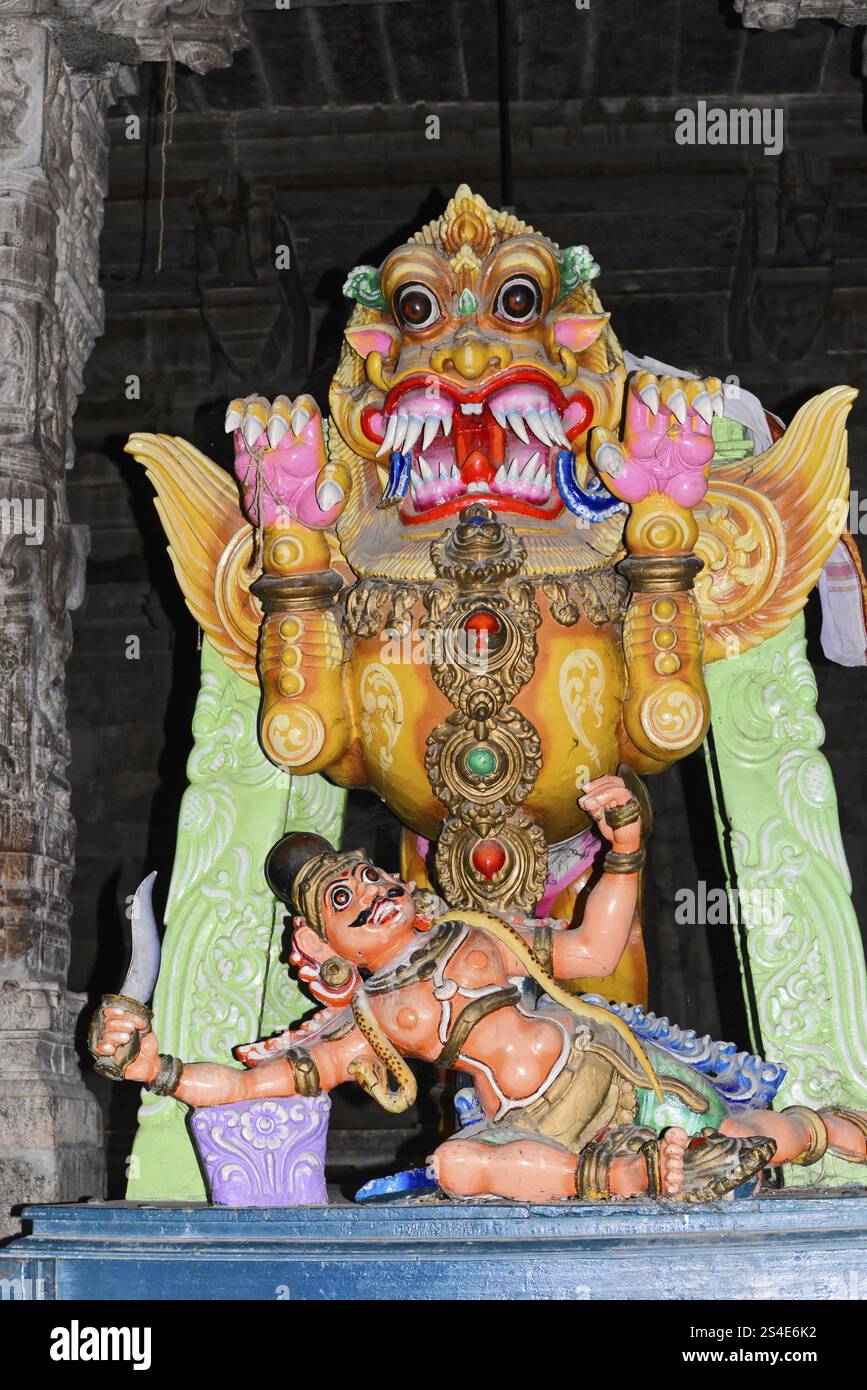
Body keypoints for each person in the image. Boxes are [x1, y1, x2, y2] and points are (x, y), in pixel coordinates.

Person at [90, 776, 867, 1202]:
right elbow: (254, 1082)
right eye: (341, 902)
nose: (367, 892)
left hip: (612, 1067)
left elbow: (594, 945)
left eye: (365, 876)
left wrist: (624, 847)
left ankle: (828, 1131)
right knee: (459, 1168)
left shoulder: (476, 931)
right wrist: (150, 1070)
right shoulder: (370, 1021)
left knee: (744, 1129)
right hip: (536, 1130)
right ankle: (635, 1178)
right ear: (323, 945)